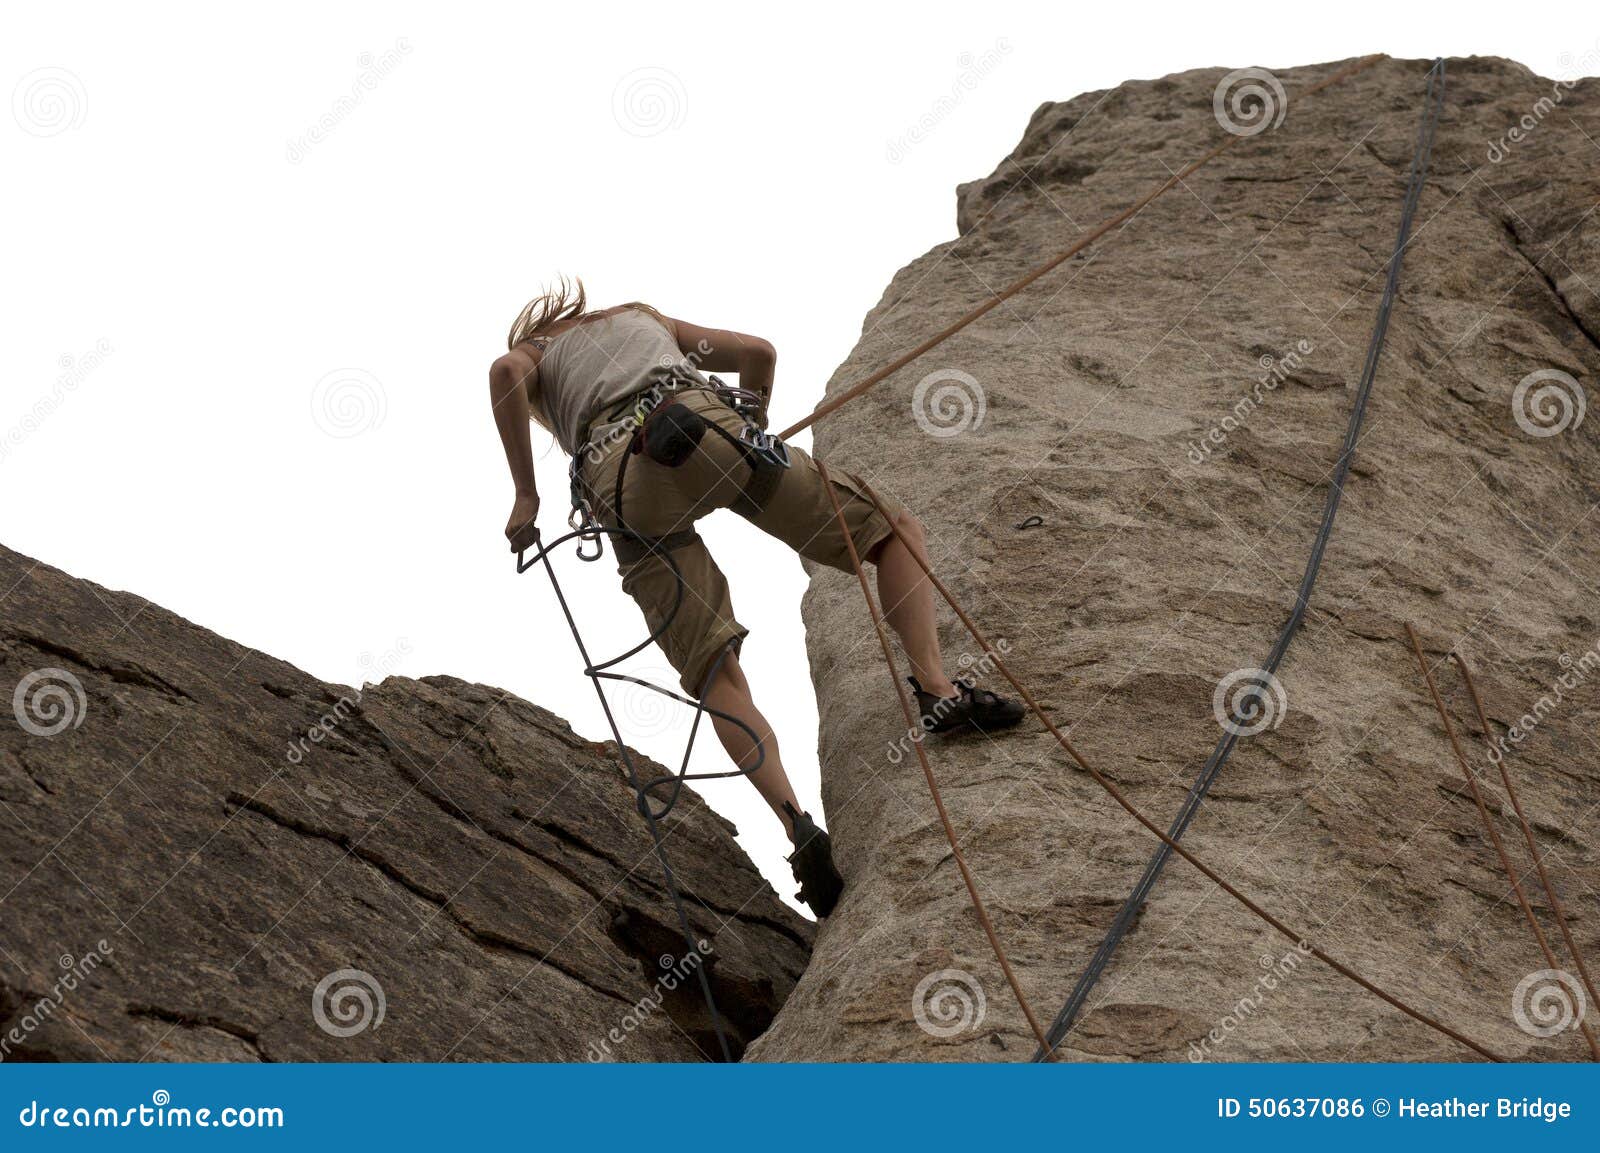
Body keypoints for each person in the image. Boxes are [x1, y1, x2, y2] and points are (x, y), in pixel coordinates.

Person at [489, 279, 1024, 916]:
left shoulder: (537, 354)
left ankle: (796, 825)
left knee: (714, 671)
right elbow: (758, 353)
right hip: (712, 433)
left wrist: (526, 495)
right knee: (892, 531)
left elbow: (505, 373)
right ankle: (937, 689)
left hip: (624, 487)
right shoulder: (641, 316)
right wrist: (753, 423)